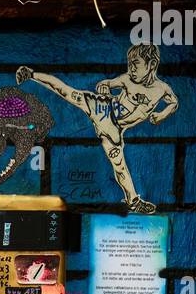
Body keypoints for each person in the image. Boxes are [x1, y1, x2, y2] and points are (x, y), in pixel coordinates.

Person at [16, 45, 178, 214]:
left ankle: (133, 201)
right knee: (67, 92)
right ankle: (31, 74)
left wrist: (162, 114)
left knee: (120, 166)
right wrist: (104, 87)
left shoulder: (162, 89)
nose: (131, 68)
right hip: (103, 110)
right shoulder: (127, 79)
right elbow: (107, 83)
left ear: (151, 64)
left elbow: (173, 102)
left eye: (136, 63)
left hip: (114, 129)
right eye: (130, 63)